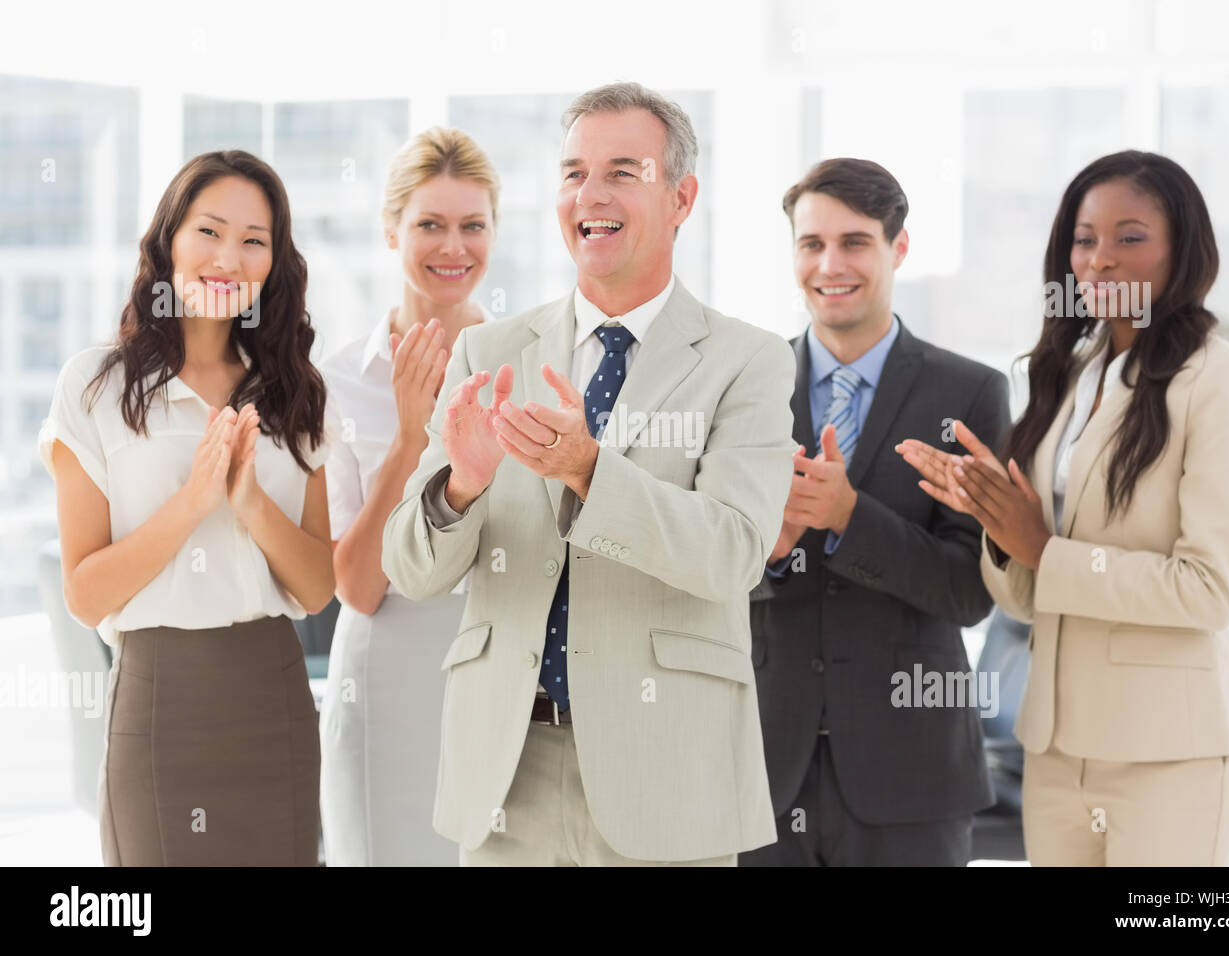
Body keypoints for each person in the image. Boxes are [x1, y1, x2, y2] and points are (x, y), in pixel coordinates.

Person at [381, 82, 795, 866]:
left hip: (666, 773)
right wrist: (460, 486)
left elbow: (733, 551)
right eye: (573, 173)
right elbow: (410, 570)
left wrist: (589, 470)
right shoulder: (487, 352)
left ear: (681, 197)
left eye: (621, 172)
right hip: (507, 777)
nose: (590, 195)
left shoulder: (750, 361)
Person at [897, 150, 1229, 866]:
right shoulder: (1066, 377)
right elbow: (1034, 598)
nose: (1099, 260)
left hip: (1172, 751)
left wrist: (1042, 548)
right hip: (1057, 747)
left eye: (1130, 237)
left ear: (1181, 249)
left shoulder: (1222, 381)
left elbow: (1210, 591)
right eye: (1083, 238)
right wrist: (999, 530)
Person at [38, 150, 334, 866]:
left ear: (273, 264)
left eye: (254, 240)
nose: (228, 256)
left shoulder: (296, 392)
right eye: (209, 230)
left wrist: (249, 502)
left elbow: (319, 586)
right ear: (169, 239)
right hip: (160, 697)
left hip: (273, 697)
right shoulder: (95, 388)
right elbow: (85, 594)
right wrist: (194, 501)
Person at [742, 158, 1009, 867]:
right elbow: (698, 569)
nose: (830, 264)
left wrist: (848, 515)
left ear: (899, 248)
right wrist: (770, 549)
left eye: (855, 241)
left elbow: (968, 590)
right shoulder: (742, 387)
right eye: (811, 244)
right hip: (760, 773)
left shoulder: (972, 392)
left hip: (912, 782)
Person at [319, 127, 496, 866]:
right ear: (391, 231)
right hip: (381, 685)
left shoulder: (533, 363)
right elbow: (357, 586)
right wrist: (409, 438)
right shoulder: (340, 379)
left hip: (498, 682)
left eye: (472, 225)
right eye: (429, 224)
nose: (452, 247)